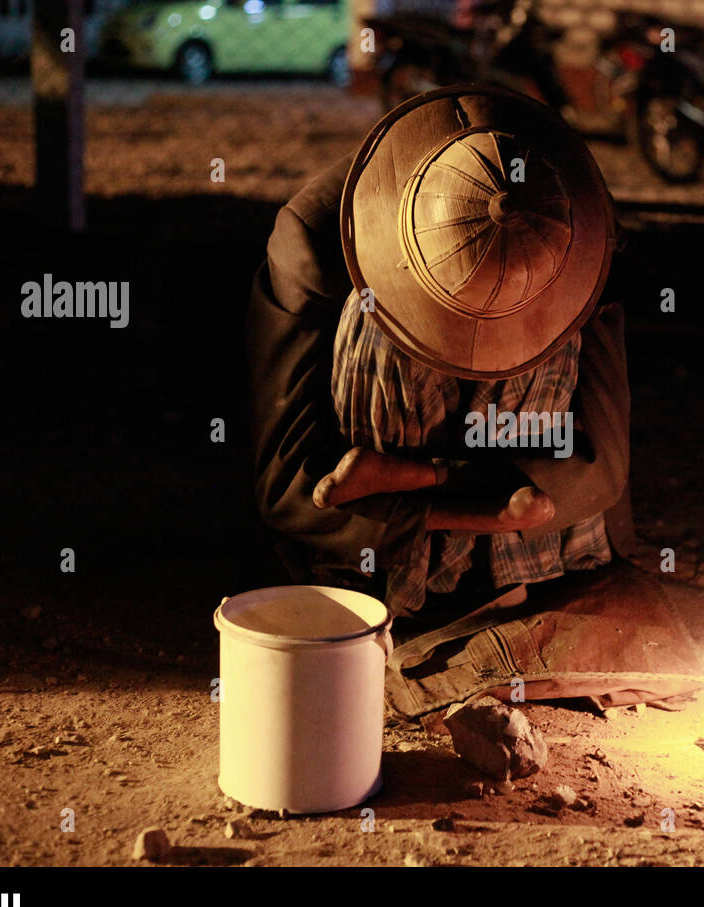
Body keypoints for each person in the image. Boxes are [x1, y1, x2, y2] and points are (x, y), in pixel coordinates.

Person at [245, 86, 635, 619]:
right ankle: (411, 582)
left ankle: (495, 563)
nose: (483, 352)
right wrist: (481, 511)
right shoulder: (311, 243)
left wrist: (427, 477)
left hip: (527, 534)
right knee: (377, 333)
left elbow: (601, 467)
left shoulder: (579, 229)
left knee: (558, 342)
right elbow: (290, 488)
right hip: (391, 546)